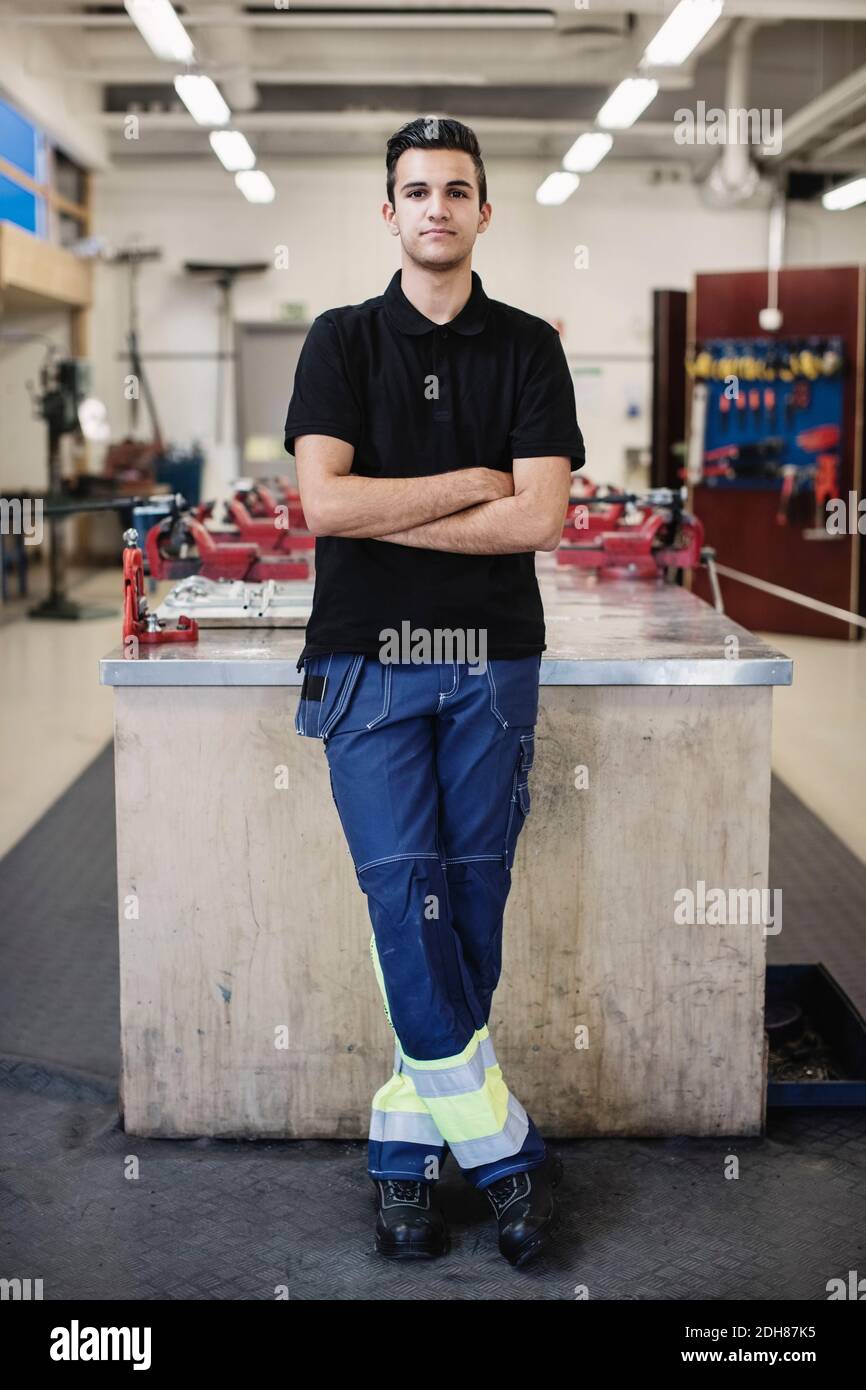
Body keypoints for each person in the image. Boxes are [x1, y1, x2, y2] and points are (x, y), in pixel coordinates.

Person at [284, 116, 584, 1268]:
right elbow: (325, 506)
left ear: (482, 211)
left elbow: (543, 517)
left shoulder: (525, 348)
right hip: (367, 664)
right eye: (415, 190)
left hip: (492, 662)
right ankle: (502, 1151)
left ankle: (405, 1146)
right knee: (401, 898)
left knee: (468, 904)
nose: (435, 207)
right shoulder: (340, 340)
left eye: (456, 189)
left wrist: (391, 499)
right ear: (389, 211)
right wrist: (468, 483)